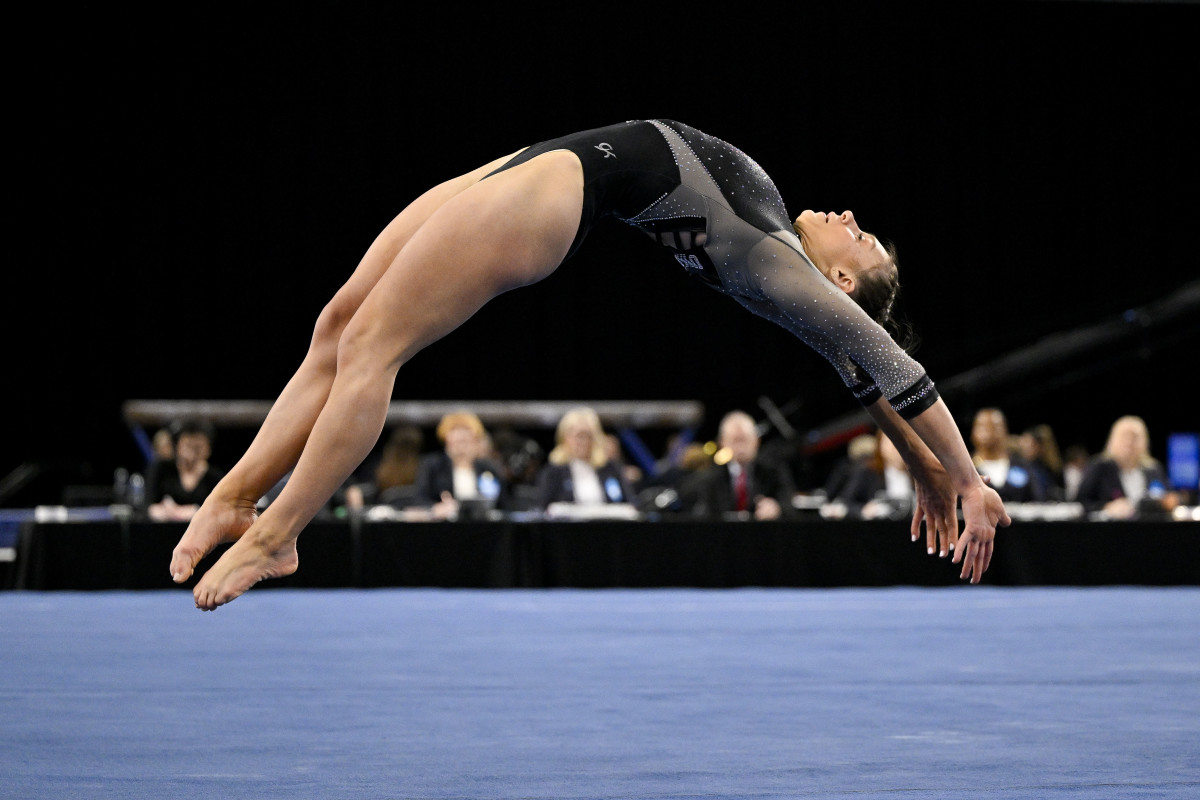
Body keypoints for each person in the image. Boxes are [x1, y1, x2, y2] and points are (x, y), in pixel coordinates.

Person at [170, 118, 1009, 610]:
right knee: (338, 323)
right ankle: (233, 498)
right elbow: (856, 367)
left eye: (860, 242)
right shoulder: (787, 257)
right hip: (554, 161)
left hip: (562, 192)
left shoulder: (783, 269)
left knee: (371, 347)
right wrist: (924, 469)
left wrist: (963, 478)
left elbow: (881, 359)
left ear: (840, 280)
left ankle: (278, 535)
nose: (853, 216)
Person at [683, 410, 797, 520]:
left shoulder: (773, 471)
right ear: (723, 443)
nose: (741, 447)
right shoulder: (711, 477)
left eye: (745, 440)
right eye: (735, 440)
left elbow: (790, 506)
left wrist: (776, 508)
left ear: (757, 441)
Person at [1076, 415, 1178, 519]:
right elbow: (1080, 502)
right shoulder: (1100, 466)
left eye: (1135, 437)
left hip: (1150, 528)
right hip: (1112, 530)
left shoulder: (1153, 468)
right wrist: (1107, 507)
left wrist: (1169, 501)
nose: (1129, 442)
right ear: (1113, 439)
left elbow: (1170, 496)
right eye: (1124, 436)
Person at [413, 411, 509, 519]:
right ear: (446, 437)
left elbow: (503, 504)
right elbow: (419, 501)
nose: (461, 436)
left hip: (483, 525)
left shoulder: (489, 468)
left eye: (467, 431)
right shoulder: (432, 465)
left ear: (475, 439)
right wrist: (437, 508)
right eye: (454, 431)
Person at [534, 407, 634, 509]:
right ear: (564, 438)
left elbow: (631, 505)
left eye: (586, 435)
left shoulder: (611, 469)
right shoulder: (552, 473)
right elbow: (541, 510)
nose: (581, 442)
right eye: (577, 436)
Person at [147, 418, 225, 522]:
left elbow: (221, 510)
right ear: (177, 446)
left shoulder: (215, 477)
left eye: (197, 447)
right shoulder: (161, 470)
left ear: (208, 449)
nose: (191, 454)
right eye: (187, 446)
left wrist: (195, 511)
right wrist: (159, 510)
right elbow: (146, 504)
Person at [969, 408, 1045, 504]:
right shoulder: (966, 467)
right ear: (973, 433)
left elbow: (1038, 500)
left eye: (994, 427)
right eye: (982, 427)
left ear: (1005, 431)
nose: (988, 432)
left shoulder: (1022, 466)